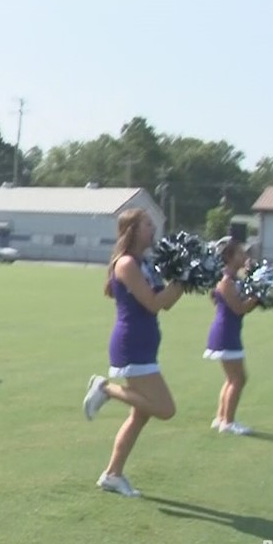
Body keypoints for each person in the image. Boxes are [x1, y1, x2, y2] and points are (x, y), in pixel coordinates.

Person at [81, 208, 185, 498]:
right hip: (131, 345)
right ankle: (106, 388)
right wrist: (179, 281)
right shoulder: (126, 264)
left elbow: (166, 302)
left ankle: (112, 475)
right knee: (165, 409)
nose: (154, 229)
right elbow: (151, 303)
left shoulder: (146, 263)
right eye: (148, 225)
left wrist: (185, 277)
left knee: (140, 416)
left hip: (146, 344)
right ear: (132, 231)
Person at [205, 239, 260, 435]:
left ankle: (221, 418)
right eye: (240, 253)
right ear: (229, 257)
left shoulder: (235, 280)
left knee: (232, 379)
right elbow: (238, 309)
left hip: (229, 331)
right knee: (239, 378)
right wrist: (258, 296)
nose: (244, 256)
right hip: (225, 333)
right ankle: (228, 422)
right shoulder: (226, 282)